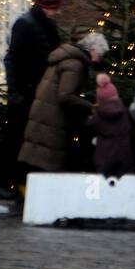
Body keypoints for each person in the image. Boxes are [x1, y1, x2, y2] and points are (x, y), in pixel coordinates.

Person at [1, 0, 64, 196]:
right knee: (17, 139)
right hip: (25, 92)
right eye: (52, 8)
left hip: (39, 92)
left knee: (31, 141)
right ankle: (7, 183)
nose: (55, 12)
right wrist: (14, 91)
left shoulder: (47, 25)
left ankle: (21, 184)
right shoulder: (25, 24)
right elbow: (12, 59)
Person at [18, 31, 108, 174]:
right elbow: (65, 96)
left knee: (37, 166)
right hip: (53, 119)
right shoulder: (76, 65)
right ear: (92, 50)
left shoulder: (65, 58)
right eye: (100, 54)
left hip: (44, 114)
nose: (98, 60)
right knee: (47, 166)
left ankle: (27, 194)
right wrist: (91, 107)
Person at [91, 73, 133, 179]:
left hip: (104, 157)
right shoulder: (124, 113)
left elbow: (89, 126)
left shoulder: (99, 115)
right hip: (124, 157)